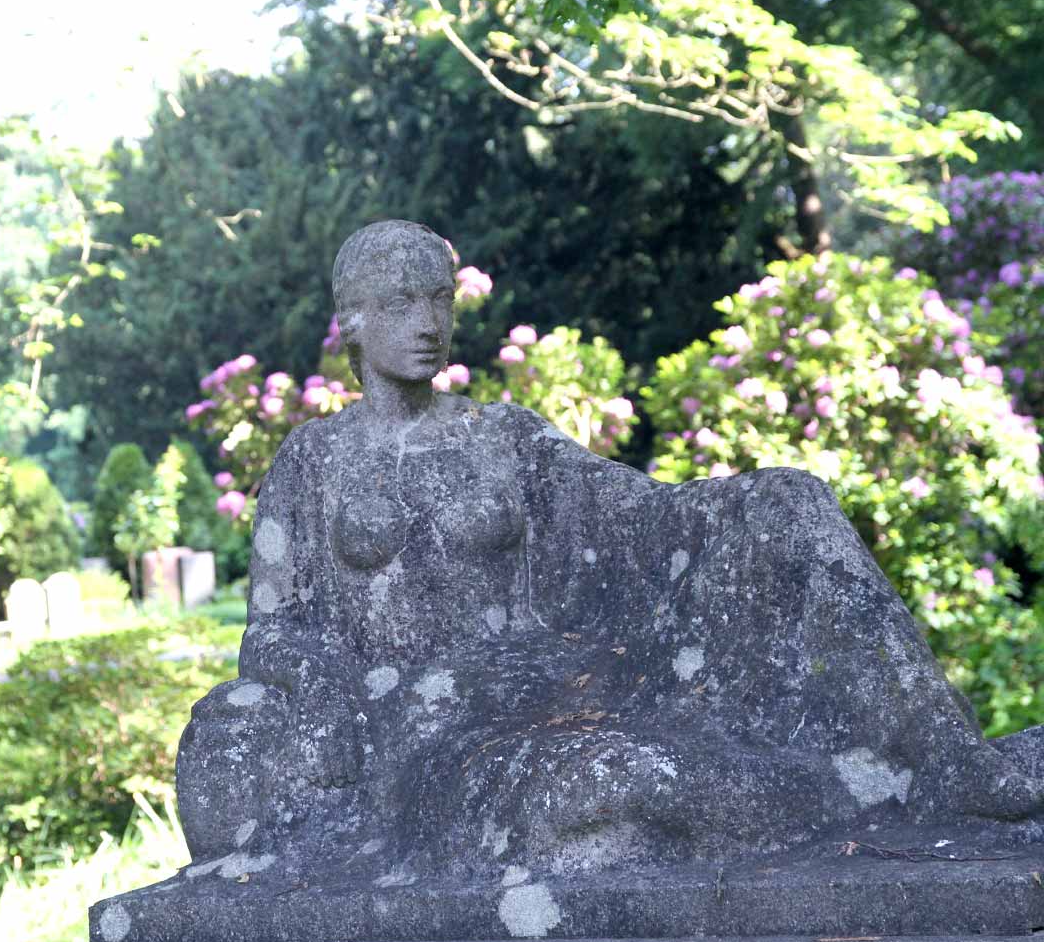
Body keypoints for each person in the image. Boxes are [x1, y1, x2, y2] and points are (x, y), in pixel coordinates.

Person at [175, 219, 1043, 882]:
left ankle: (946, 762)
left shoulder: (504, 437)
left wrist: (748, 510)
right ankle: (863, 789)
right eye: (403, 301)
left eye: (440, 298)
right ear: (354, 320)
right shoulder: (315, 461)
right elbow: (271, 630)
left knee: (786, 502)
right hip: (423, 730)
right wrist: (327, 689)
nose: (429, 321)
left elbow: (640, 518)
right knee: (605, 782)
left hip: (553, 682)